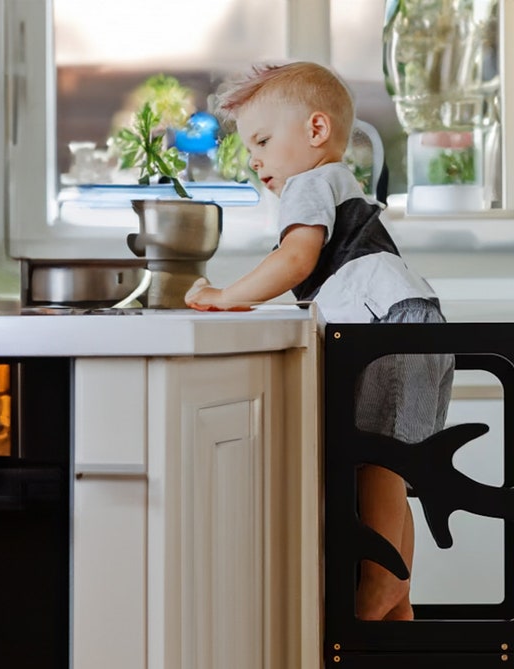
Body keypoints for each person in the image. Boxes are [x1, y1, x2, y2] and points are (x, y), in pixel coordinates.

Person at [185, 61, 453, 621]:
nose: (254, 159)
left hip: (386, 328)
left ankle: (377, 593)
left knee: (375, 465)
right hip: (408, 318)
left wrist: (227, 296)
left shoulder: (308, 184)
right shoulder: (336, 180)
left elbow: (295, 258)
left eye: (262, 140)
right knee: (393, 468)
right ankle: (396, 602)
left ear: (315, 130)